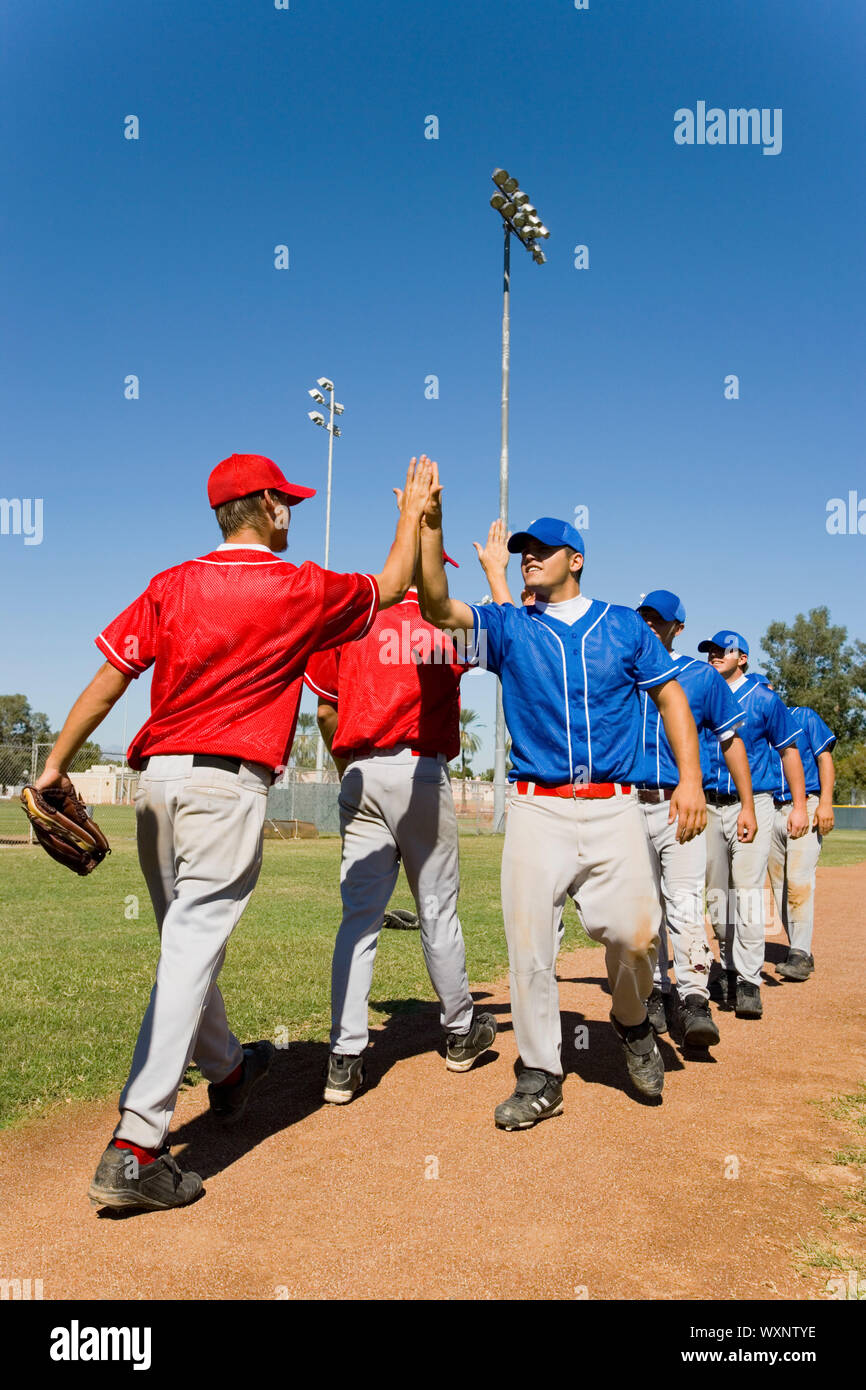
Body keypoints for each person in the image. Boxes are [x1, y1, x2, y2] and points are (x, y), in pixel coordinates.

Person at [36, 451, 434, 1211]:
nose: (293, 511)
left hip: (157, 785)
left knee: (186, 944)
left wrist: (57, 763)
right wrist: (412, 516)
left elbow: (113, 676)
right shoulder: (299, 585)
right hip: (226, 786)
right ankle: (136, 1145)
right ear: (266, 508)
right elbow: (389, 586)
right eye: (287, 500)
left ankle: (225, 1069)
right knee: (190, 949)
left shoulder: (172, 583)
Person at [420, 497, 706, 1128]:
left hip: (614, 807)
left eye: (541, 550)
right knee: (529, 950)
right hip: (536, 810)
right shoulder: (509, 626)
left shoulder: (625, 626)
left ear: (575, 560)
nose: (528, 558)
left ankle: (631, 1022)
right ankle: (541, 1071)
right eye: (522, 551)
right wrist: (428, 528)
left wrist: (690, 777)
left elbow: (671, 696)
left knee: (637, 935)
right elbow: (439, 609)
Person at [304, 533, 497, 1104]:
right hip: (420, 772)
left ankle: (344, 1057)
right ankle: (461, 1033)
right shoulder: (445, 627)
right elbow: (505, 633)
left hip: (361, 771)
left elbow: (323, 708)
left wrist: (346, 765)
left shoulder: (352, 615)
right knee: (438, 910)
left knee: (358, 920)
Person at [632, 592, 757, 1048]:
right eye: (641, 616)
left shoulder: (702, 676)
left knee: (684, 902)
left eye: (657, 619)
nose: (647, 624)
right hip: (625, 803)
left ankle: (694, 1000)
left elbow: (730, 742)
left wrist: (746, 803)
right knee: (641, 909)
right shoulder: (622, 668)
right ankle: (652, 993)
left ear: (676, 627)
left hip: (681, 803)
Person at [698, 630, 808, 1019]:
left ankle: (748, 981)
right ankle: (726, 968)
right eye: (710, 649)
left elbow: (789, 750)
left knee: (745, 891)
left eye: (723, 650)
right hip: (709, 804)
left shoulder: (763, 699)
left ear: (742, 657)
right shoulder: (703, 693)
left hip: (755, 804)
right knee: (715, 893)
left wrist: (798, 805)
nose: (714, 655)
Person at [768, 705, 836, 981]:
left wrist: (826, 804)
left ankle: (799, 952)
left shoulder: (804, 716)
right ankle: (800, 948)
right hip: (770, 809)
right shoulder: (758, 723)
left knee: (798, 879)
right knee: (779, 886)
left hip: (806, 803)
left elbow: (825, 759)